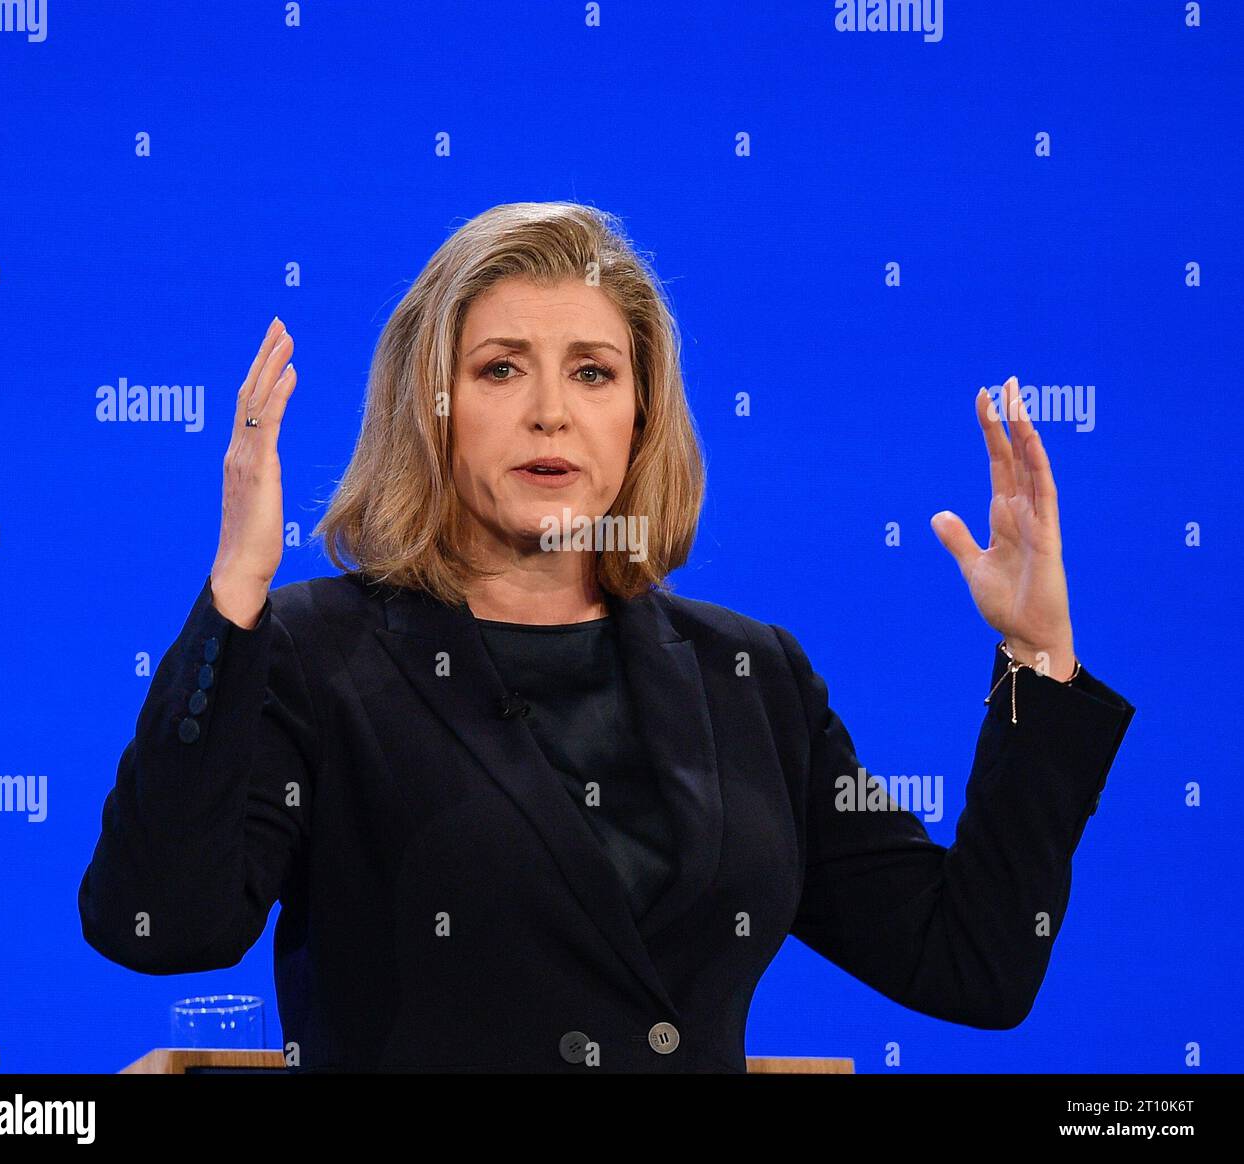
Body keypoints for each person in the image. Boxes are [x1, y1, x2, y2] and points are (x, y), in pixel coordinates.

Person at [78, 201, 1135, 1073]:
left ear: (641, 415)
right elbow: (160, 927)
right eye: (500, 369)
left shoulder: (750, 676)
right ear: (431, 408)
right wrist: (236, 593)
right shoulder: (316, 653)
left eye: (592, 372)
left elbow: (973, 966)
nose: (551, 412)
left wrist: (1038, 661)